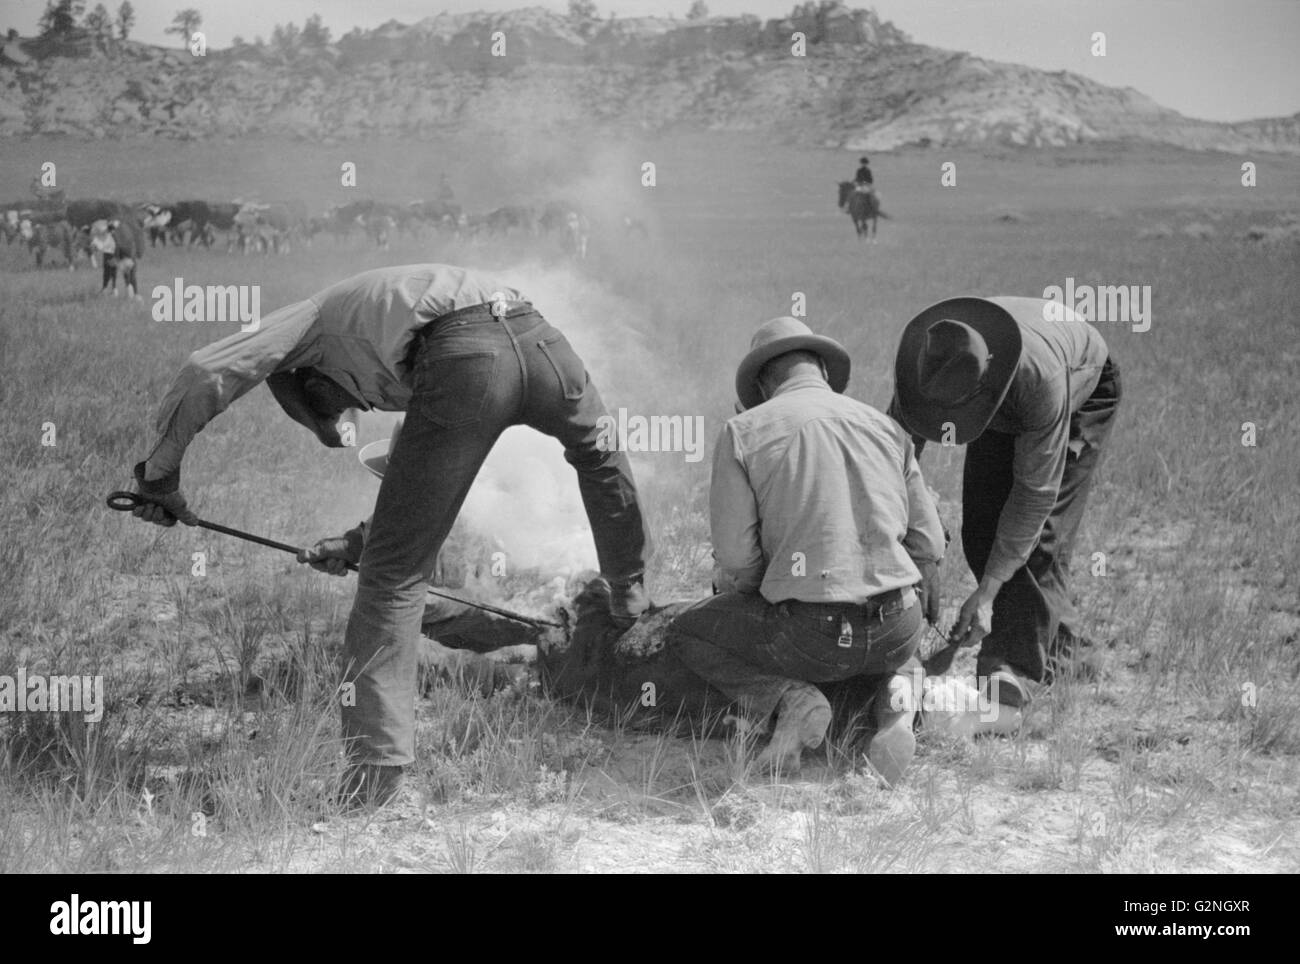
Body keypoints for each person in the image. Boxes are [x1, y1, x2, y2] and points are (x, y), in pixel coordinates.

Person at [126, 263, 651, 808]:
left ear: (315, 374)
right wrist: (357, 544)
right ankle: (630, 599)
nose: (367, 406)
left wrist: (158, 477)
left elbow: (203, 369)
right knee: (600, 454)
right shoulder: (400, 332)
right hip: (540, 339)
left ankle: (375, 778)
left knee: (392, 581)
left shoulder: (312, 321)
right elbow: (416, 483)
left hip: (468, 356)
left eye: (342, 402)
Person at [664, 317, 945, 784]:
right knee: (894, 652)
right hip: (898, 624)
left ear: (762, 382)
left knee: (687, 632)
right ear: (823, 371)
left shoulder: (743, 431)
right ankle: (897, 700)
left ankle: (791, 700)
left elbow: (737, 561)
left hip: (812, 637)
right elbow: (928, 542)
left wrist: (753, 592)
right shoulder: (887, 428)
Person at [889, 296, 1122, 714]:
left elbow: (1034, 496)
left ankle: (1011, 667)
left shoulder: (1039, 383)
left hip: (1080, 390)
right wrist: (919, 551)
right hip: (998, 395)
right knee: (980, 524)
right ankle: (1071, 654)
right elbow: (891, 463)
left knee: (1040, 535)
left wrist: (988, 593)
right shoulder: (927, 364)